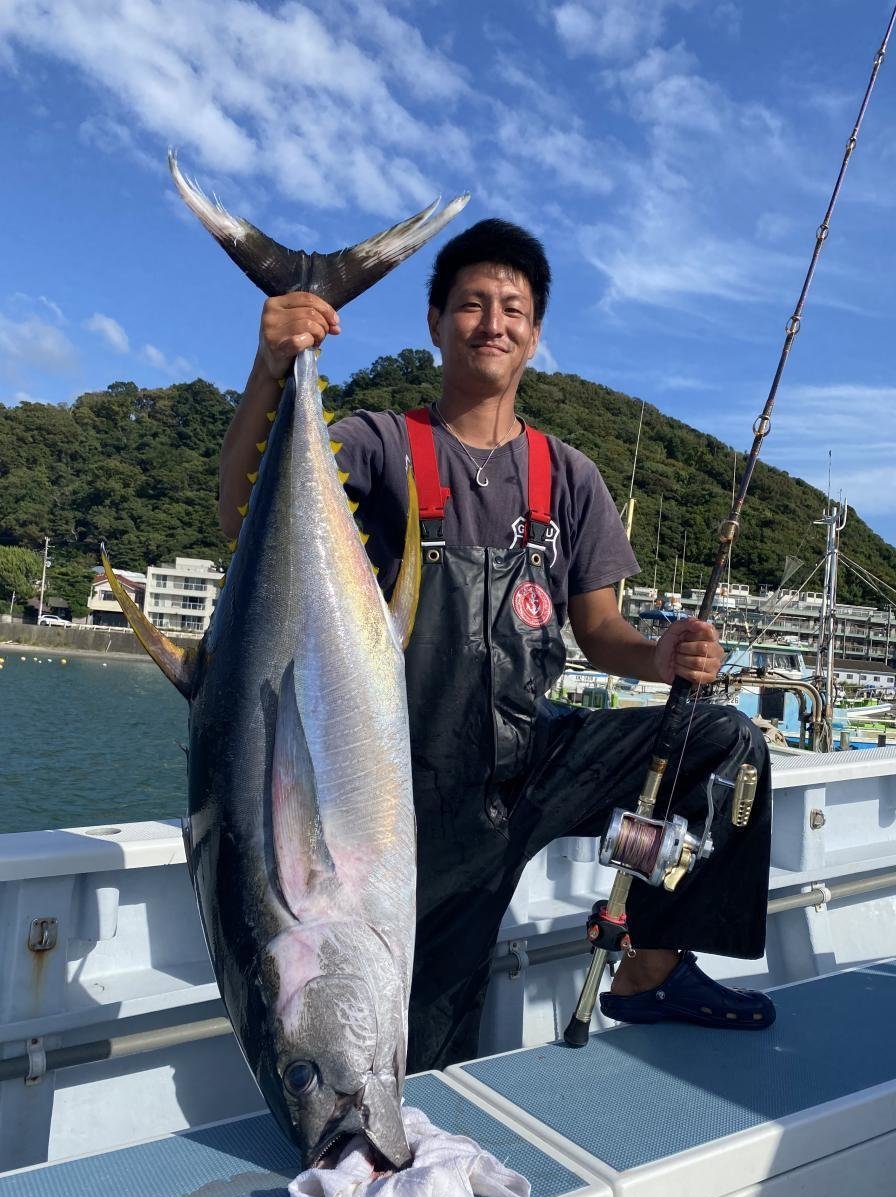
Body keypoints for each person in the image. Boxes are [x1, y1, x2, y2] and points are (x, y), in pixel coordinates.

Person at [220, 218, 774, 1074]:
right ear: (436, 322)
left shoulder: (569, 474)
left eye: (513, 308)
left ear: (535, 333)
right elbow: (239, 516)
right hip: (413, 789)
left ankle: (651, 971)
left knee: (726, 742)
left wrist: (659, 656)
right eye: (472, 304)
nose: (493, 323)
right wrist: (272, 366)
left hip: (534, 760)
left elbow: (600, 632)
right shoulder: (377, 444)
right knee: (424, 1052)